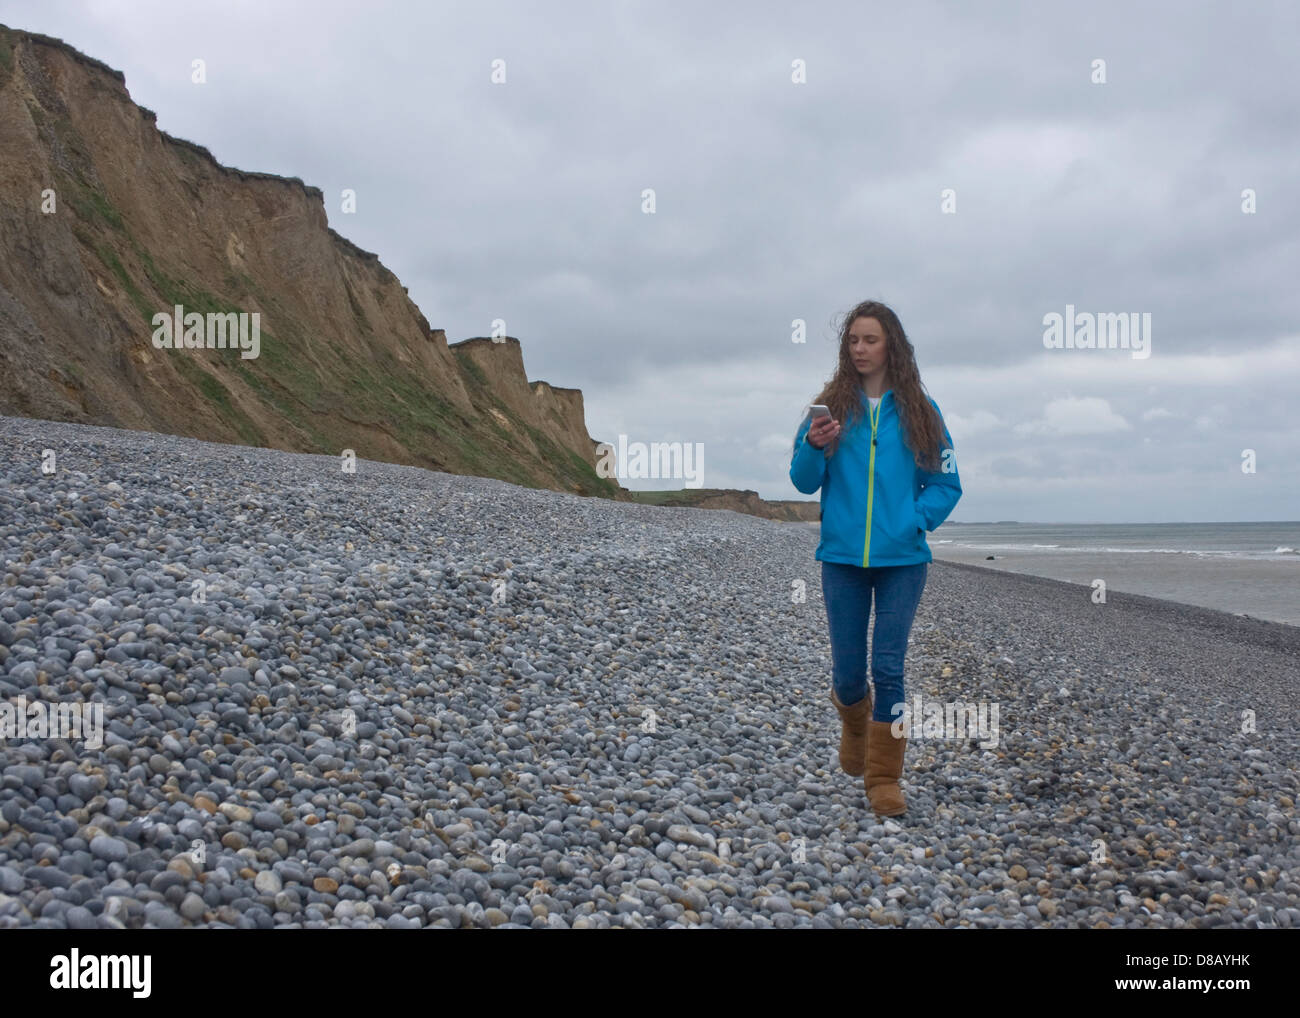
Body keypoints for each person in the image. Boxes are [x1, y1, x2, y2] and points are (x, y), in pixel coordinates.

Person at [789, 301, 962, 818]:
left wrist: (915, 519)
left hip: (902, 560)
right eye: (853, 340)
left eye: (870, 340)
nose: (860, 349)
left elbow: (947, 483)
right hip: (842, 557)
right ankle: (854, 723)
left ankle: (885, 778)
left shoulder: (921, 412)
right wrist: (813, 447)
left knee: (889, 667)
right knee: (847, 674)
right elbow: (802, 482)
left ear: (893, 347)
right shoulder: (830, 409)